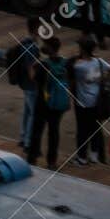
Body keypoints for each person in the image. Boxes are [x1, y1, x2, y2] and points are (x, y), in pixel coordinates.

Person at [26, 36, 72, 169]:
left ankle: (32, 158)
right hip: (58, 103)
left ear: (50, 48)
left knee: (37, 130)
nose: (43, 47)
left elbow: (34, 80)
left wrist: (31, 68)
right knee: (54, 132)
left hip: (43, 102)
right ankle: (52, 161)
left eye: (45, 45)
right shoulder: (65, 63)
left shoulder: (43, 65)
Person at [69, 37, 110, 166]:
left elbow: (71, 78)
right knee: (95, 128)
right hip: (97, 101)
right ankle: (94, 157)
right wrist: (101, 78)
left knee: (82, 130)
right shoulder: (99, 61)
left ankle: (82, 158)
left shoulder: (78, 66)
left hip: (82, 102)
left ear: (83, 49)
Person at [11, 17, 46, 153]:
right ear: (36, 28)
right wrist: (38, 82)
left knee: (27, 111)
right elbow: (31, 69)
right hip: (31, 85)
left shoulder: (25, 42)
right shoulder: (32, 47)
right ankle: (28, 142)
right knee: (33, 114)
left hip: (24, 83)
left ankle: (23, 137)